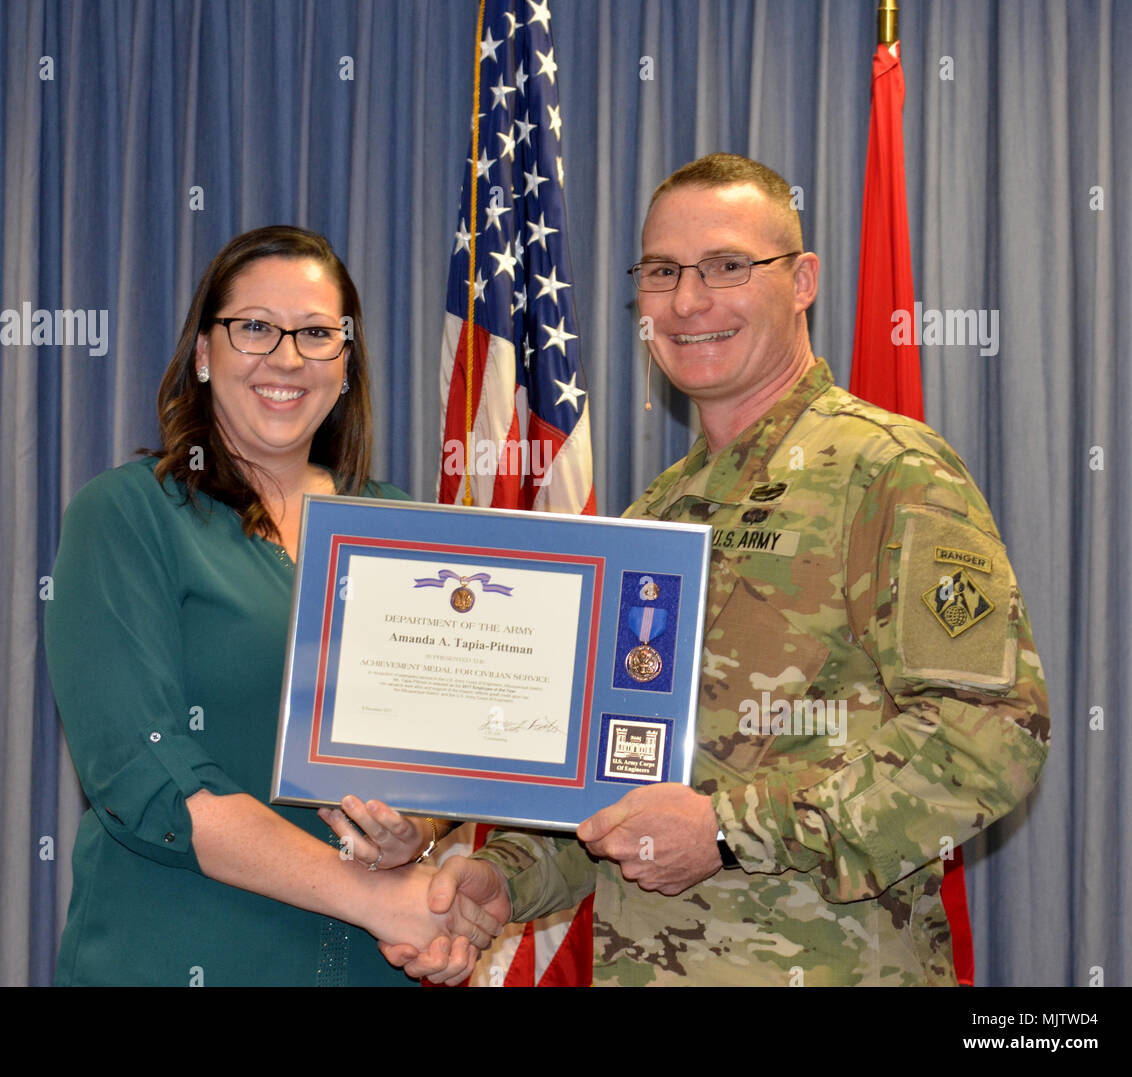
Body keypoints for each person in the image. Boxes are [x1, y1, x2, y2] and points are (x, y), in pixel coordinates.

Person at [389, 153, 1051, 986]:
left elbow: (990, 736)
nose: (689, 300)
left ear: (802, 279)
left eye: (728, 266)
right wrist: (501, 880)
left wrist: (735, 828)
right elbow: (614, 784)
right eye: (663, 271)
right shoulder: (653, 516)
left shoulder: (891, 474)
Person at [46, 225, 496, 985]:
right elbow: (149, 779)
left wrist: (412, 830)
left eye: (318, 333)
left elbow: (448, 745)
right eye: (254, 326)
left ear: (346, 364)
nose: (286, 357)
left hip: (375, 965)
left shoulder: (404, 530)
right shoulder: (128, 515)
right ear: (202, 354)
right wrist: (378, 897)